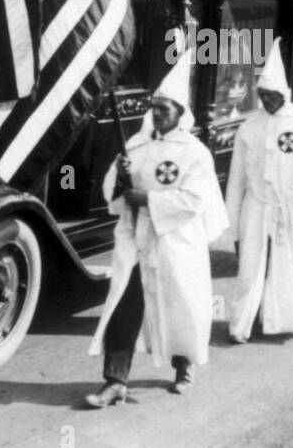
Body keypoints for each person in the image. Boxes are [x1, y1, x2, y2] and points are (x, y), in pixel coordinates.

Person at [85, 47, 228, 407]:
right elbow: (111, 196)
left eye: (165, 109)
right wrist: (119, 178)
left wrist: (147, 199)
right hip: (137, 241)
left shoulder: (194, 153)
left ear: (180, 113)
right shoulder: (135, 143)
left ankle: (184, 365)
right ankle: (115, 380)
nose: (158, 114)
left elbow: (193, 201)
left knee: (181, 307)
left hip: (176, 242)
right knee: (124, 306)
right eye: (156, 108)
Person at [226, 38, 293, 344]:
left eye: (273, 96)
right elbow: (237, 179)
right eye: (263, 96)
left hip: (291, 208)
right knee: (253, 266)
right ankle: (249, 320)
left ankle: (285, 320)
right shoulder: (249, 128)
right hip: (257, 209)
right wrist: (232, 221)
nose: (268, 101)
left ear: (284, 94)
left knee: (288, 267)